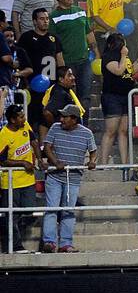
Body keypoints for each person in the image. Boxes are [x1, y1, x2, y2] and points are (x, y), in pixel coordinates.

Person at [41, 103, 96, 254]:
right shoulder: (55, 128)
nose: (61, 119)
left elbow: (93, 151)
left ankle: (65, 243)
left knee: (68, 211)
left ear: (74, 119)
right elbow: (47, 147)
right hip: (54, 176)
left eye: (65, 117)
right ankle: (50, 242)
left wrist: (92, 161)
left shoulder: (86, 133)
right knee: (51, 209)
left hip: (74, 178)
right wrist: (55, 162)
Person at [0, 103, 39, 253]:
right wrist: (22, 162)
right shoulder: (3, 135)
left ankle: (10, 235)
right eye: (21, 116)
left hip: (28, 179)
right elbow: (2, 160)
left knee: (29, 211)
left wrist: (40, 160)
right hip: (11, 182)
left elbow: (34, 141)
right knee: (11, 214)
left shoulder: (25, 126)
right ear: (12, 119)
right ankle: (15, 246)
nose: (24, 118)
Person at [98, 31, 135, 175]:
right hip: (112, 96)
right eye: (119, 43)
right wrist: (124, 56)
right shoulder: (108, 57)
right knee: (111, 131)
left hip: (126, 95)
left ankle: (125, 164)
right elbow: (119, 71)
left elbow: (129, 72)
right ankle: (103, 164)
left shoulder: (124, 57)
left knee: (123, 131)